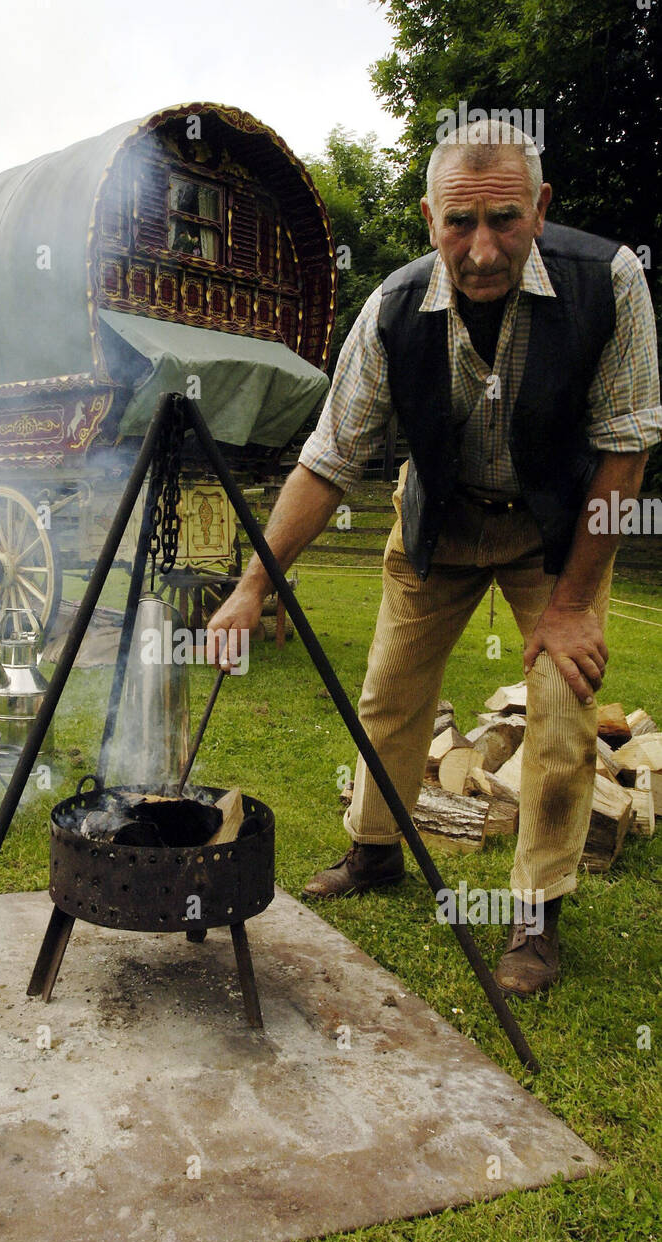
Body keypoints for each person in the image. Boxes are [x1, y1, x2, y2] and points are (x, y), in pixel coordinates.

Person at [206, 119, 661, 997]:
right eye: (460, 223)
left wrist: (570, 605)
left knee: (562, 717)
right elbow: (329, 458)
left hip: (555, 533)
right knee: (389, 693)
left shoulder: (609, 282)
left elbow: (625, 447)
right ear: (427, 219)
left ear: (539, 208)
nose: (482, 249)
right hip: (438, 523)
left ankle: (533, 917)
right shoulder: (388, 311)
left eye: (503, 219)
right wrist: (252, 586)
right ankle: (375, 852)